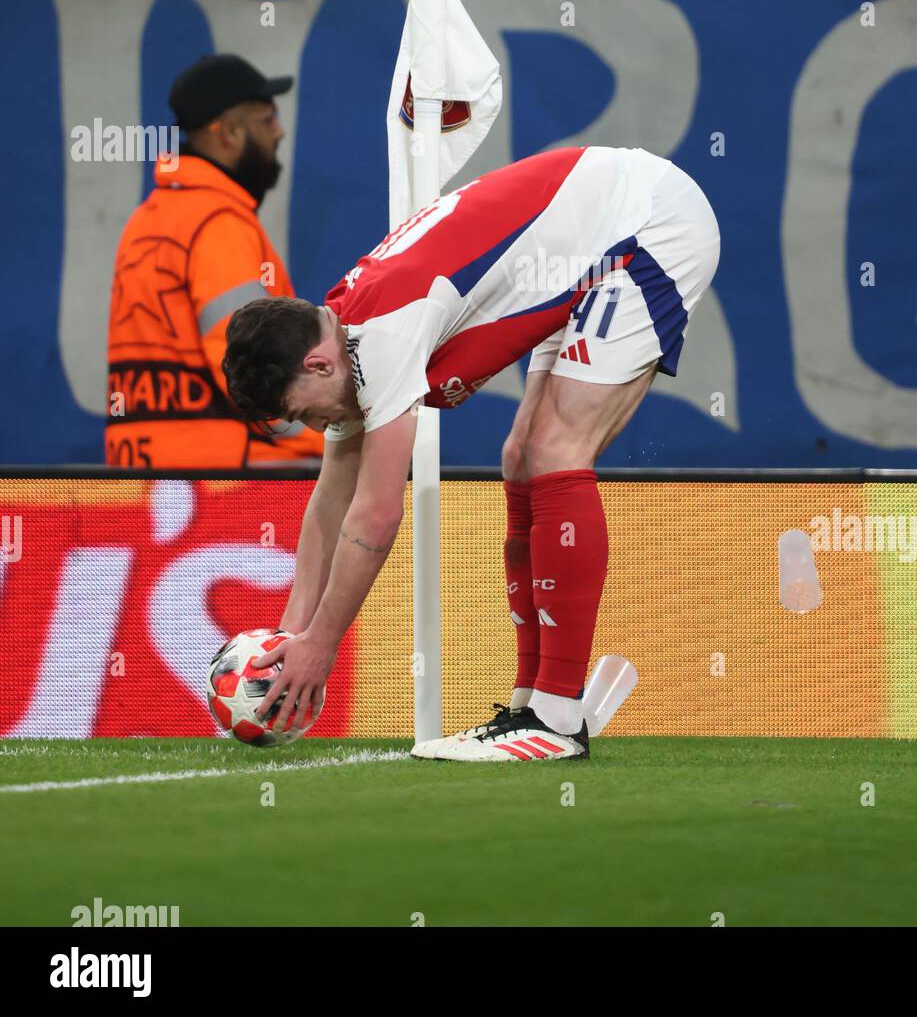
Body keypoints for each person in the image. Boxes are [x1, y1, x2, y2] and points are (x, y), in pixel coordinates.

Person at [221, 145, 721, 761]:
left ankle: (556, 717)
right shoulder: (344, 328)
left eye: (304, 412)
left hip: (648, 226)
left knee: (556, 450)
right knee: (522, 457)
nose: (315, 424)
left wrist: (322, 644)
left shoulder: (380, 333)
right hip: (597, 236)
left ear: (317, 364)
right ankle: (532, 708)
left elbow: (376, 515)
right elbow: (333, 497)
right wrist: (290, 635)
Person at [106, 54, 323, 468]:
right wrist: (327, 439)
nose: (279, 131)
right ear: (229, 133)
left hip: (142, 480)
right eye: (268, 118)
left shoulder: (149, 217)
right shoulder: (216, 222)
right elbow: (253, 364)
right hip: (227, 485)